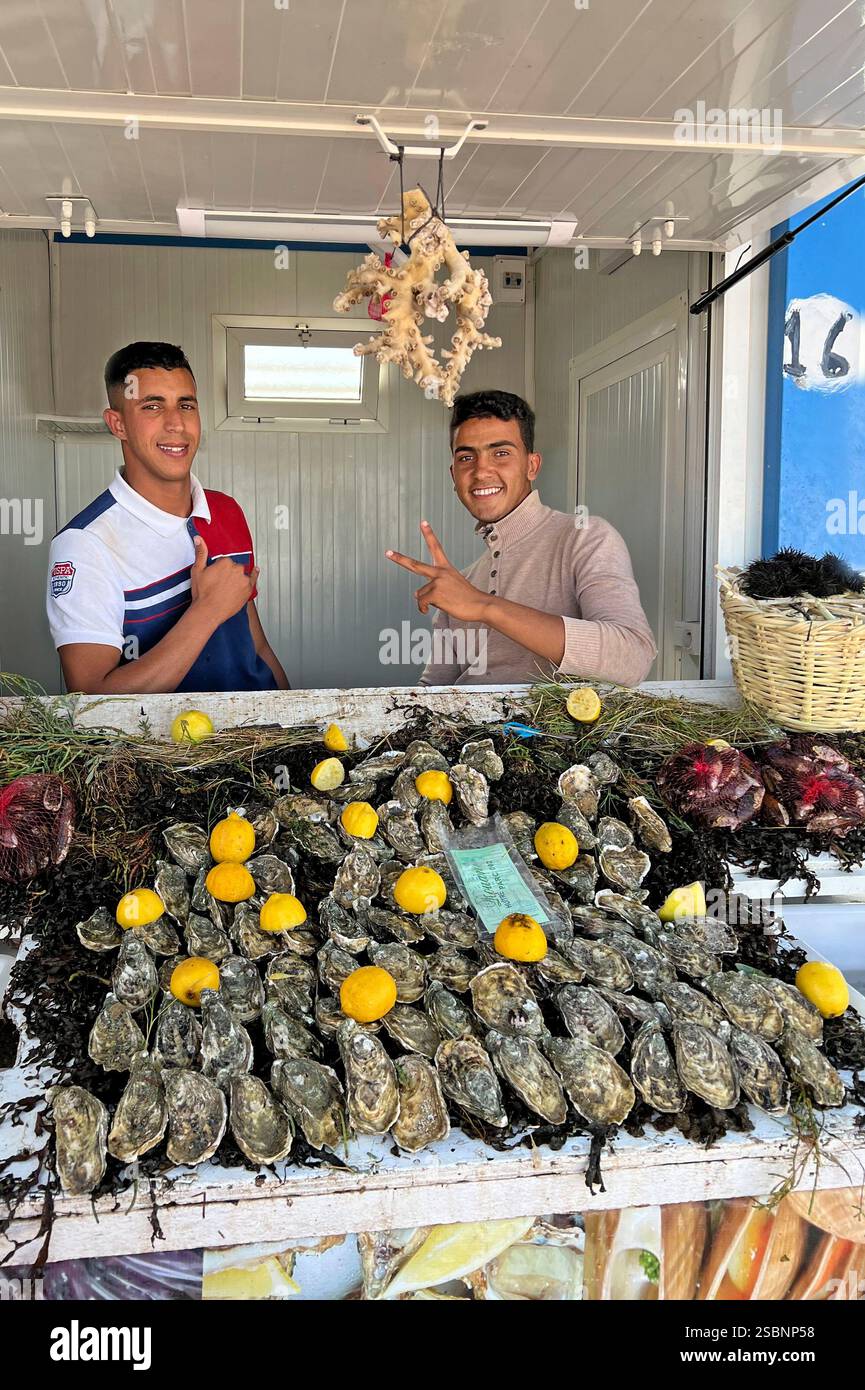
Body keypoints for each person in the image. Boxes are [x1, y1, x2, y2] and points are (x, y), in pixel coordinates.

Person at [45, 341, 288, 695]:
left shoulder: (226, 510)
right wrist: (206, 611)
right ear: (118, 424)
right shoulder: (85, 545)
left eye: (186, 405)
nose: (176, 424)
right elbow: (91, 702)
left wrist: (298, 722)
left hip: (261, 740)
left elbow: (258, 648)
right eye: (153, 406)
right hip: (168, 749)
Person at [386, 389, 656, 686]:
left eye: (501, 453)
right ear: (454, 475)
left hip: (560, 732)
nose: (481, 471)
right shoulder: (463, 583)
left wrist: (485, 607)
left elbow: (632, 658)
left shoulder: (585, 538)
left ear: (532, 466)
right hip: (470, 733)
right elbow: (434, 690)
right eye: (466, 457)